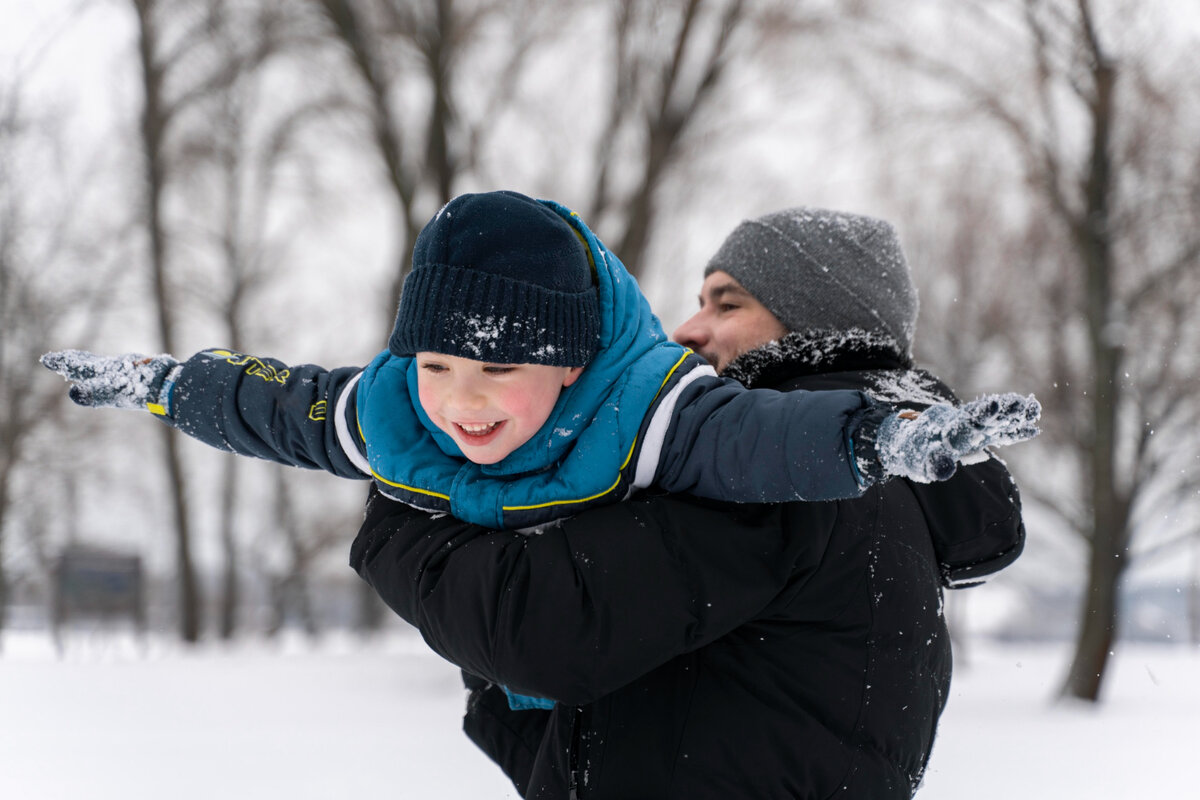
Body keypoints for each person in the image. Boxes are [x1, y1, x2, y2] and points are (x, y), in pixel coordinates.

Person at [349, 206, 1032, 798]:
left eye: (726, 303)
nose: (688, 329)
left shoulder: (781, 480)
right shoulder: (880, 499)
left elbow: (536, 631)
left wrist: (407, 498)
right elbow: (610, 738)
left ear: (818, 322)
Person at [41, 191, 1036, 533]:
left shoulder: (647, 414)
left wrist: (887, 435)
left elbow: (765, 439)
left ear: (568, 365)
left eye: (499, 368)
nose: (462, 401)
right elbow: (281, 403)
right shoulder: (395, 409)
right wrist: (170, 385)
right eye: (437, 363)